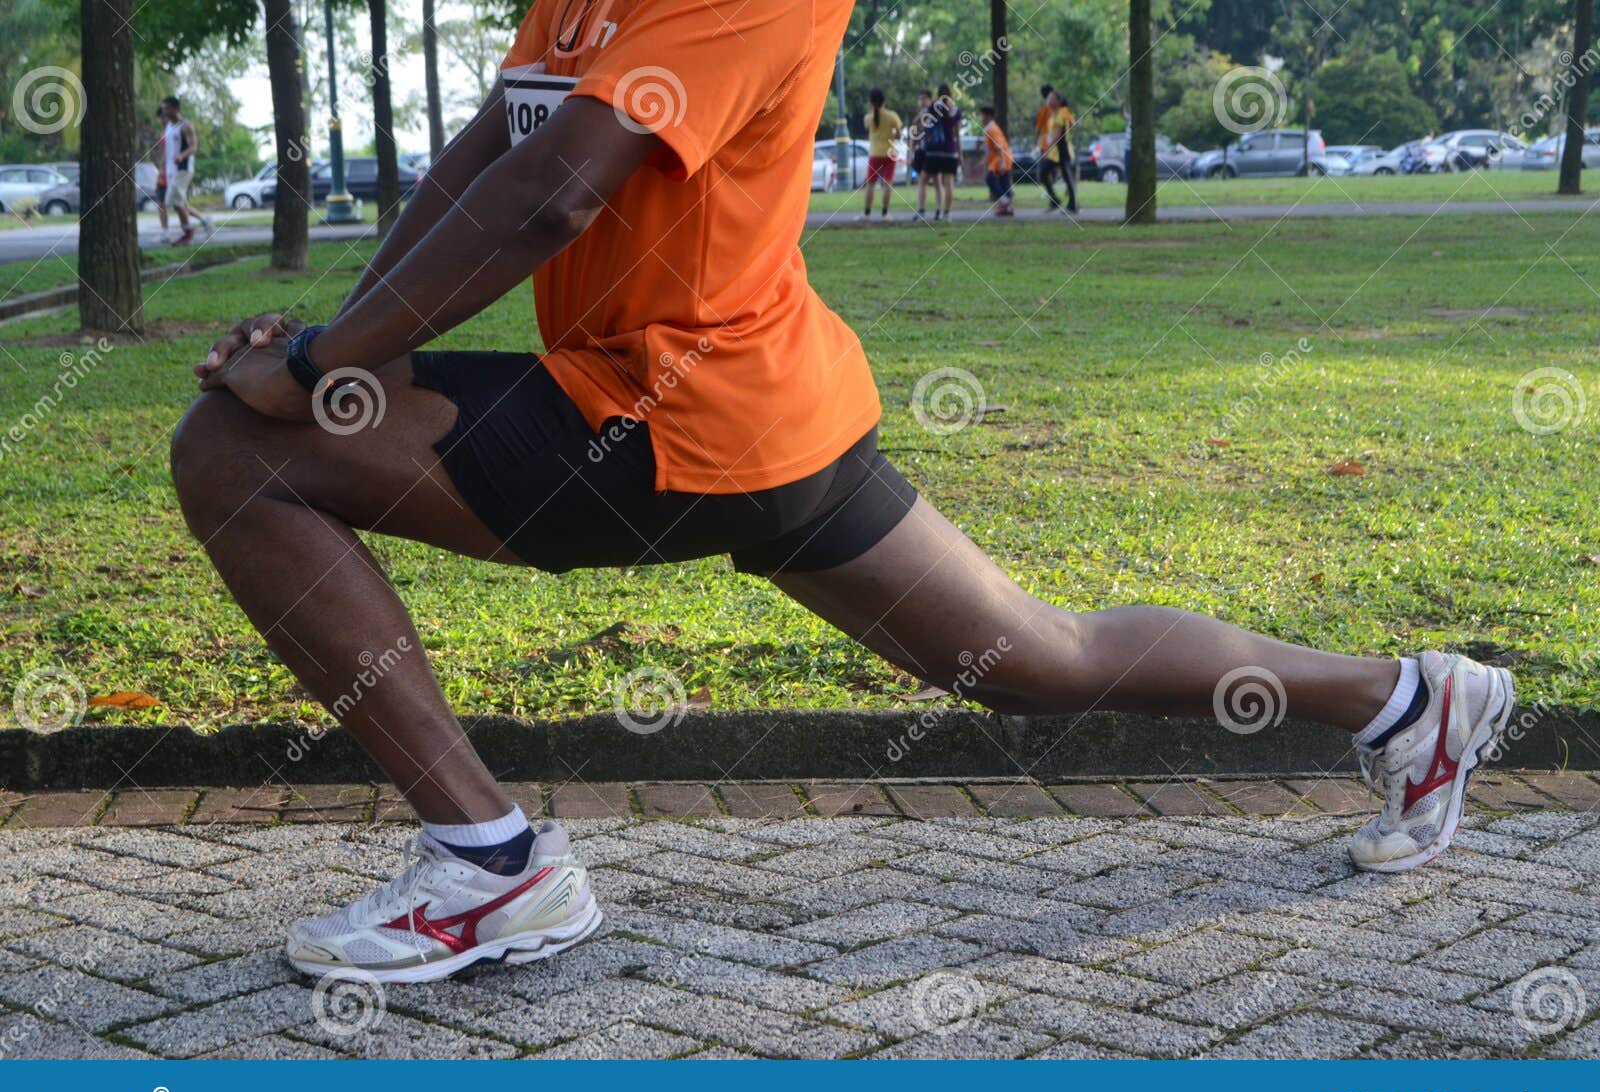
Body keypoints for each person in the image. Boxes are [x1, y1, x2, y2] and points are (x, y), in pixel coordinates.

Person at [180, 0, 1516, 984]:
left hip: (667, 417)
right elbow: (485, 152)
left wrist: (315, 369)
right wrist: (327, 349)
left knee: (229, 457)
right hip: (762, 416)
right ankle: (1408, 697)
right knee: (1040, 656)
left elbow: (552, 196)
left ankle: (488, 865)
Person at [159, 95, 213, 245]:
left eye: (167, 108)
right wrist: (163, 168)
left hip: (183, 169)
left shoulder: (186, 126)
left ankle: (188, 232)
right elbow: (168, 150)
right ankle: (204, 220)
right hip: (171, 171)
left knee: (172, 201)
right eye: (163, 108)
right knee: (181, 203)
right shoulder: (168, 126)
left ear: (176, 109)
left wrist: (181, 156)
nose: (164, 111)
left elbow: (193, 147)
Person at [920, 83, 962, 221]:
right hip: (950, 151)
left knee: (924, 180)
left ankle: (922, 211)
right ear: (950, 95)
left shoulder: (933, 108)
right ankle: (947, 213)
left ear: (938, 95)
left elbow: (925, 126)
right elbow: (957, 134)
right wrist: (960, 153)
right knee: (949, 182)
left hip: (933, 151)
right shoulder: (955, 110)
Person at [862, 88, 901, 220]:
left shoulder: (868, 118)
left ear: (870, 102)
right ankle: (885, 213)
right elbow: (899, 134)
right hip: (890, 153)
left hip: (874, 154)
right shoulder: (892, 116)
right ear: (884, 101)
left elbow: (869, 126)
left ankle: (867, 213)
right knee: (887, 184)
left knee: (871, 184)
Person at [1040, 87, 1078, 214]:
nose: (1047, 101)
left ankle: (1073, 205)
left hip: (1061, 150)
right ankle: (1055, 200)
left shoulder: (1061, 113)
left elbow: (1056, 136)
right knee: (1044, 173)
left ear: (1057, 101)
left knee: (1066, 176)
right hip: (1055, 151)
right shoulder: (1054, 115)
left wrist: (1046, 150)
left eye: (1050, 98)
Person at [979, 105, 1013, 217]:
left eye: (982, 115)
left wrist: (1002, 162)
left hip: (1001, 159)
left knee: (990, 178)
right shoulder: (989, 128)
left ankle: (1004, 202)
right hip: (1000, 158)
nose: (980, 118)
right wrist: (984, 160)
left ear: (988, 116)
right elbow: (990, 148)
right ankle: (1006, 208)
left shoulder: (992, 129)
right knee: (1004, 184)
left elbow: (999, 147)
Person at [910, 89, 932, 220]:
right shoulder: (918, 117)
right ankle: (922, 209)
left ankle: (941, 211)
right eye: (920, 99)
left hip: (933, 151)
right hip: (922, 151)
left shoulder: (934, 115)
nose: (922, 102)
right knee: (922, 180)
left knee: (936, 180)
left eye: (924, 99)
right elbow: (914, 136)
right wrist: (912, 153)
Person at [153, 108, 170, 241]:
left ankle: (204, 219)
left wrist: (162, 170)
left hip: (170, 172)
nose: (161, 120)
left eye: (162, 117)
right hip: (164, 172)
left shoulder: (171, 132)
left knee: (180, 204)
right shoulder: (164, 133)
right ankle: (165, 232)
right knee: (161, 203)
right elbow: (161, 154)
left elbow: (165, 154)